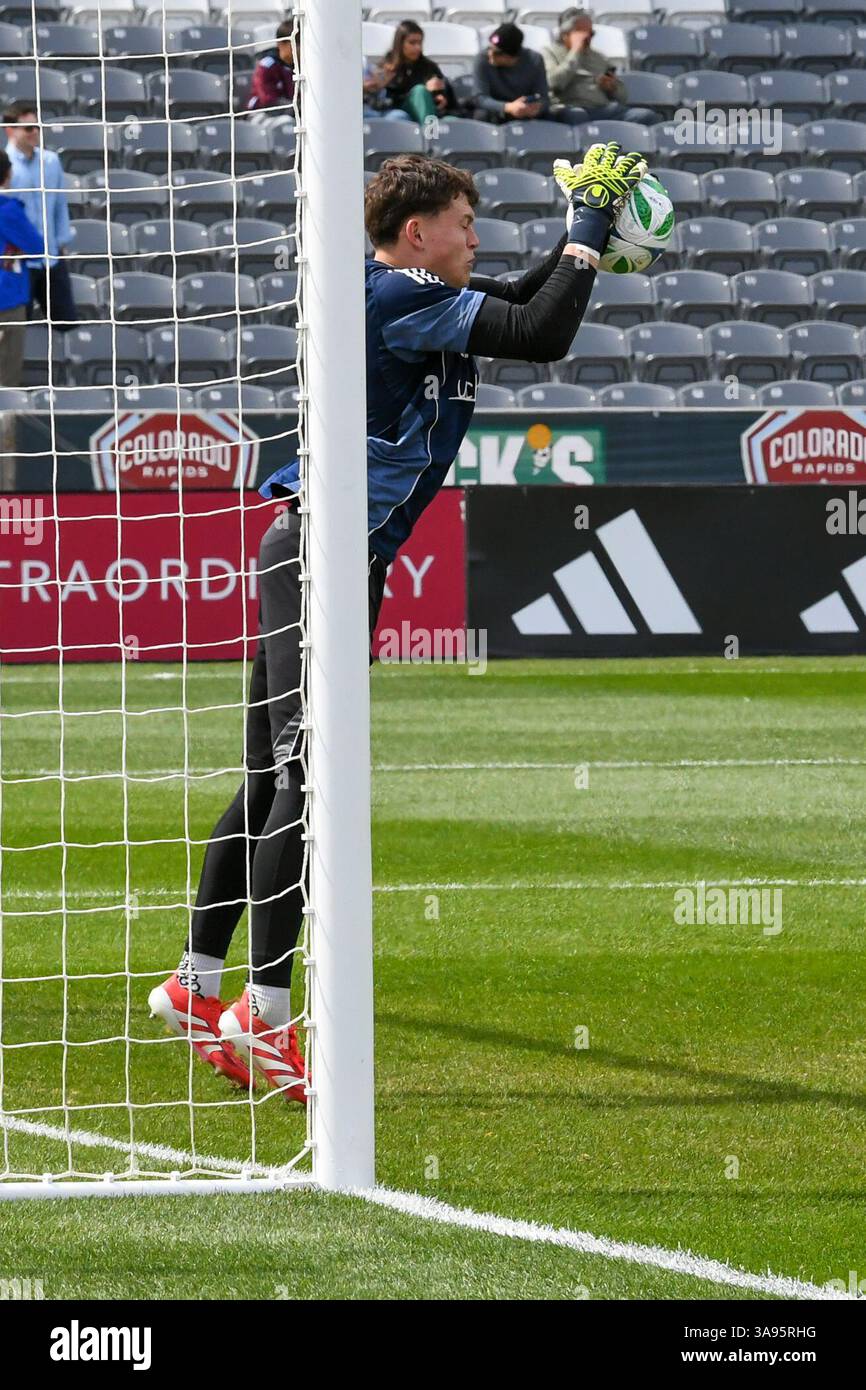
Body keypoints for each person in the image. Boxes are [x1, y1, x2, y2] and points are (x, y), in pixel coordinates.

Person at [148, 142, 646, 1100]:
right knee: (307, 778)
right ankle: (262, 1010)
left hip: (314, 549)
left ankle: (196, 981)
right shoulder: (401, 296)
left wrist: (589, 234)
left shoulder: (409, 294)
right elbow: (543, 333)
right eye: (464, 225)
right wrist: (586, 237)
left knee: (268, 776)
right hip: (327, 556)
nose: (474, 239)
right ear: (416, 234)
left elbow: (523, 296)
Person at [4, 101, 76, 328]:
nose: (35, 132)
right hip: (21, 262)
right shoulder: (3, 166)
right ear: (10, 130)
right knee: (17, 327)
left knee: (66, 324)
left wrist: (62, 242)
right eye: (28, 128)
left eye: (37, 127)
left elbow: (59, 204)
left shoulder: (51, 161)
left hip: (52, 259)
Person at [544, 8, 658, 126]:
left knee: (646, 116)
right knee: (576, 115)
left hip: (603, 109)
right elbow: (554, 83)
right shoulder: (550, 52)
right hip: (572, 107)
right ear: (565, 34)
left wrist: (612, 87)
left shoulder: (599, 57)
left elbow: (623, 97)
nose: (588, 38)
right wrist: (575, 52)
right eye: (582, 34)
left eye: (591, 34)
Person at [471, 21, 588, 127]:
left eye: (496, 53)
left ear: (511, 56)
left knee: (565, 116)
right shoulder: (482, 59)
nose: (490, 54)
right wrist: (508, 107)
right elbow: (479, 98)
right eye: (490, 48)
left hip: (527, 112)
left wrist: (536, 108)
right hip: (498, 112)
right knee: (481, 115)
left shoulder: (534, 60)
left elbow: (544, 97)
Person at [0, 148, 43, 387]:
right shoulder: (8, 211)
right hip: (6, 299)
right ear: (8, 175)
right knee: (6, 381)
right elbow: (37, 247)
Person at [364, 20, 452, 124]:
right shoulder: (386, 67)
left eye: (420, 43)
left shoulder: (429, 67)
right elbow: (382, 103)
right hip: (397, 113)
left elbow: (444, 101)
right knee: (420, 91)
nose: (417, 47)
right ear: (400, 44)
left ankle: (430, 134)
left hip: (426, 115)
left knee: (453, 121)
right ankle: (431, 135)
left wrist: (439, 96)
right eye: (412, 43)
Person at [247, 18, 296, 113]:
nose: (298, 49)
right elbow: (267, 99)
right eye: (294, 45)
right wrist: (292, 106)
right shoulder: (266, 67)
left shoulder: (299, 67)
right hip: (261, 113)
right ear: (281, 44)